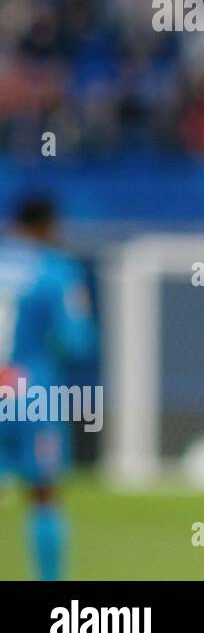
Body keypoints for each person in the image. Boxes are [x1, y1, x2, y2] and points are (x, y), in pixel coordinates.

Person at [0, 194, 96, 580]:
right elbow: (77, 341)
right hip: (30, 394)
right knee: (44, 494)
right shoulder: (56, 271)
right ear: (48, 227)